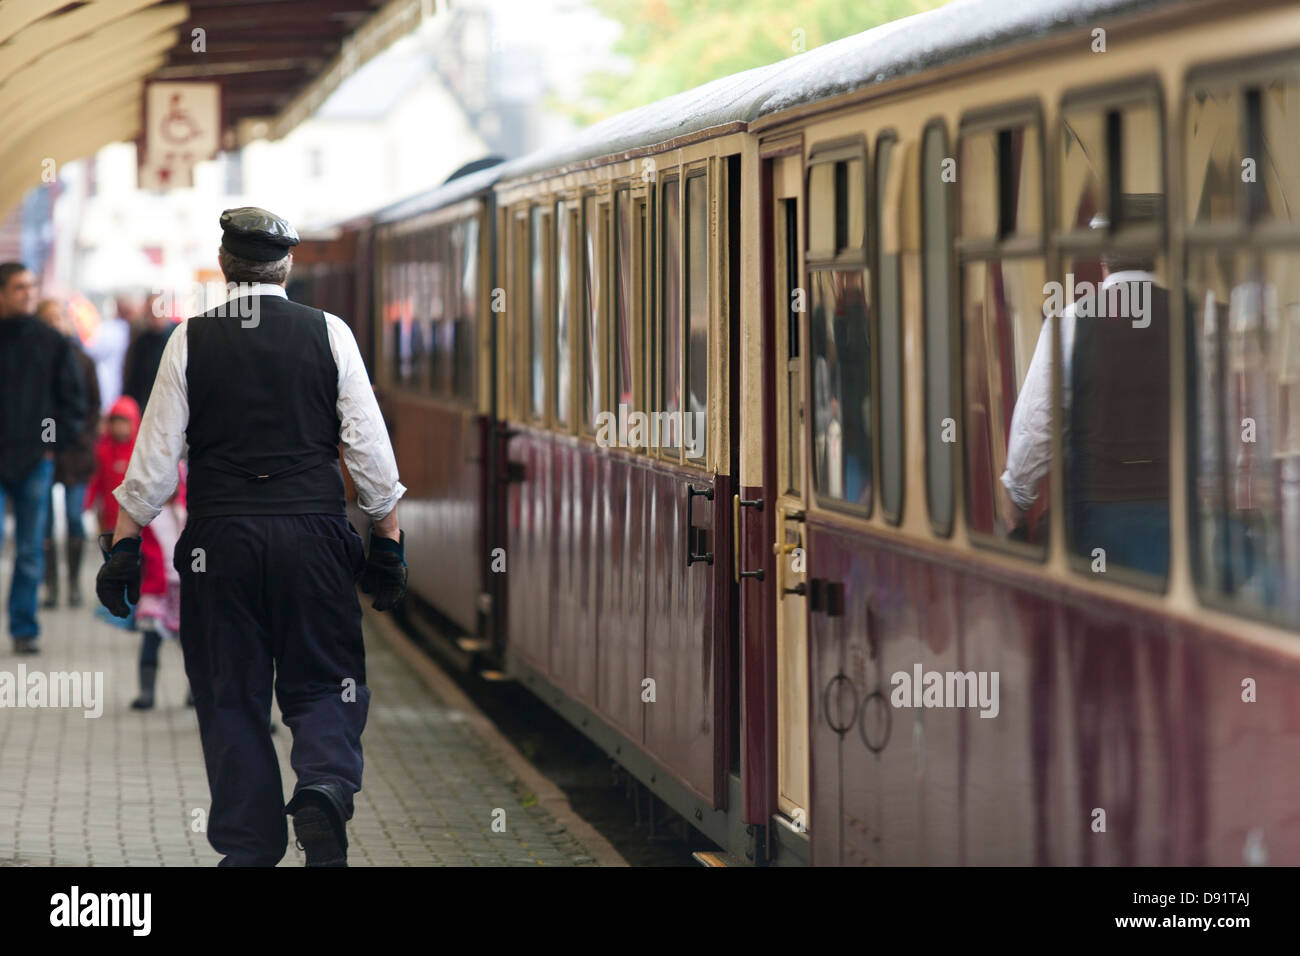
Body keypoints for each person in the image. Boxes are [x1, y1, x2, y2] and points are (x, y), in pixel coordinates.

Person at [96, 207, 409, 867]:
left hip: (220, 541)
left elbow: (154, 460)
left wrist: (126, 546)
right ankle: (323, 785)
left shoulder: (190, 340)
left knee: (228, 692)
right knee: (325, 679)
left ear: (226, 266)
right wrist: (388, 541)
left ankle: (248, 846)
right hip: (315, 537)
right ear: (285, 266)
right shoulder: (330, 334)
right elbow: (370, 454)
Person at [0, 263, 87, 654]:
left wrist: (52, 442)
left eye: (32, 286)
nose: (28, 293)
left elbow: (73, 401)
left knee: (31, 548)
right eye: (20, 287)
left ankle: (24, 628)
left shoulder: (51, 342)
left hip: (36, 460)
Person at [37, 298, 100, 608]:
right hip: (44, 455)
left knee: (75, 518)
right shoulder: (33, 360)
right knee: (44, 524)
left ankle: (74, 582)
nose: (56, 324)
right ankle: (51, 585)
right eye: (49, 318)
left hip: (76, 453)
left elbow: (92, 405)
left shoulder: (81, 360)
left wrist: (83, 438)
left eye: (59, 318)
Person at [121, 292, 175, 412]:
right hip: (146, 406)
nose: (155, 313)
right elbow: (132, 378)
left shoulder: (177, 336)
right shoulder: (141, 342)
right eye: (151, 309)